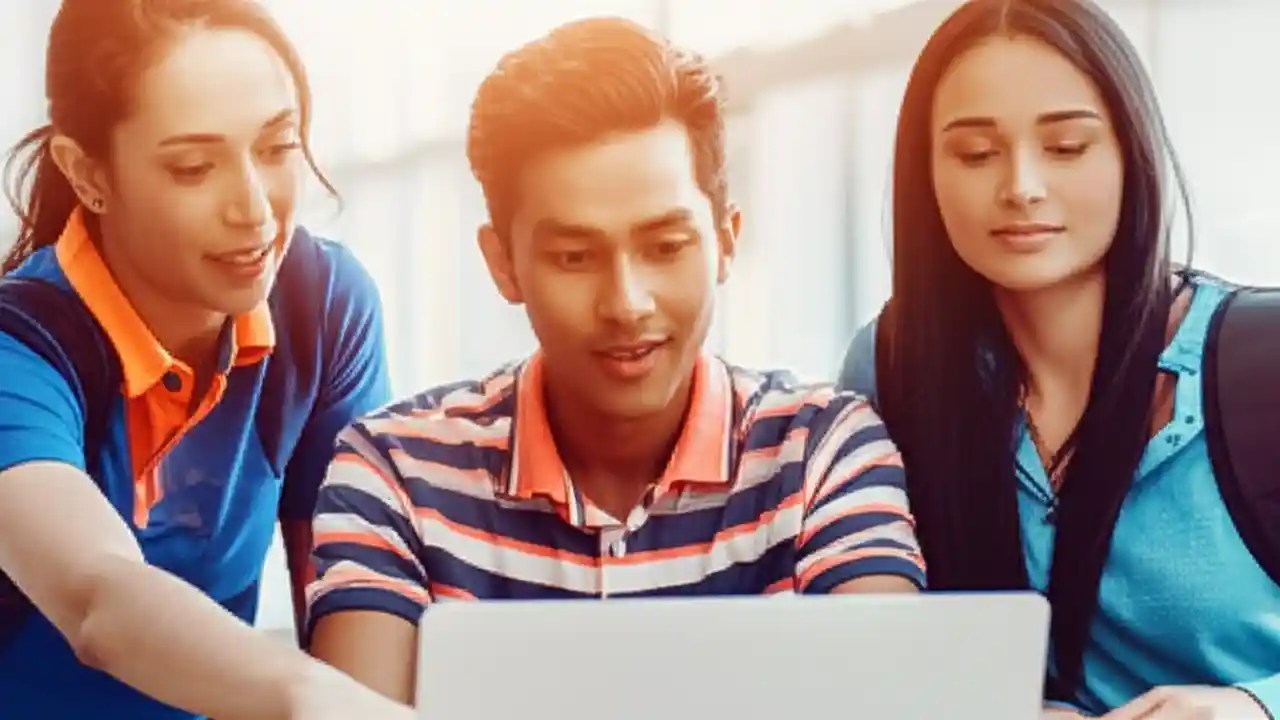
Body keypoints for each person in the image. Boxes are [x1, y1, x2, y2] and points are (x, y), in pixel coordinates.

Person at [304, 16, 925, 704]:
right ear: (503, 264)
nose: (626, 304)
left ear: (725, 241)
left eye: (664, 247)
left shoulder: (822, 455)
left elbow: (890, 705)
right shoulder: (396, 474)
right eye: (575, 257)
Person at [837, 0, 1279, 718]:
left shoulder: (1261, 362)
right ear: (927, 175)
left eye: (1067, 147)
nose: (1021, 186)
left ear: (1130, 152)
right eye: (976, 154)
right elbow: (868, 655)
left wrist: (1251, 708)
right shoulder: (891, 372)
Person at [0, 1, 414, 718]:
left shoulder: (323, 308)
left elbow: (355, 590)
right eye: (194, 167)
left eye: (278, 147)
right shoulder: (19, 348)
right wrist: (308, 699)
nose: (254, 209)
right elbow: (97, 598)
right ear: (88, 173)